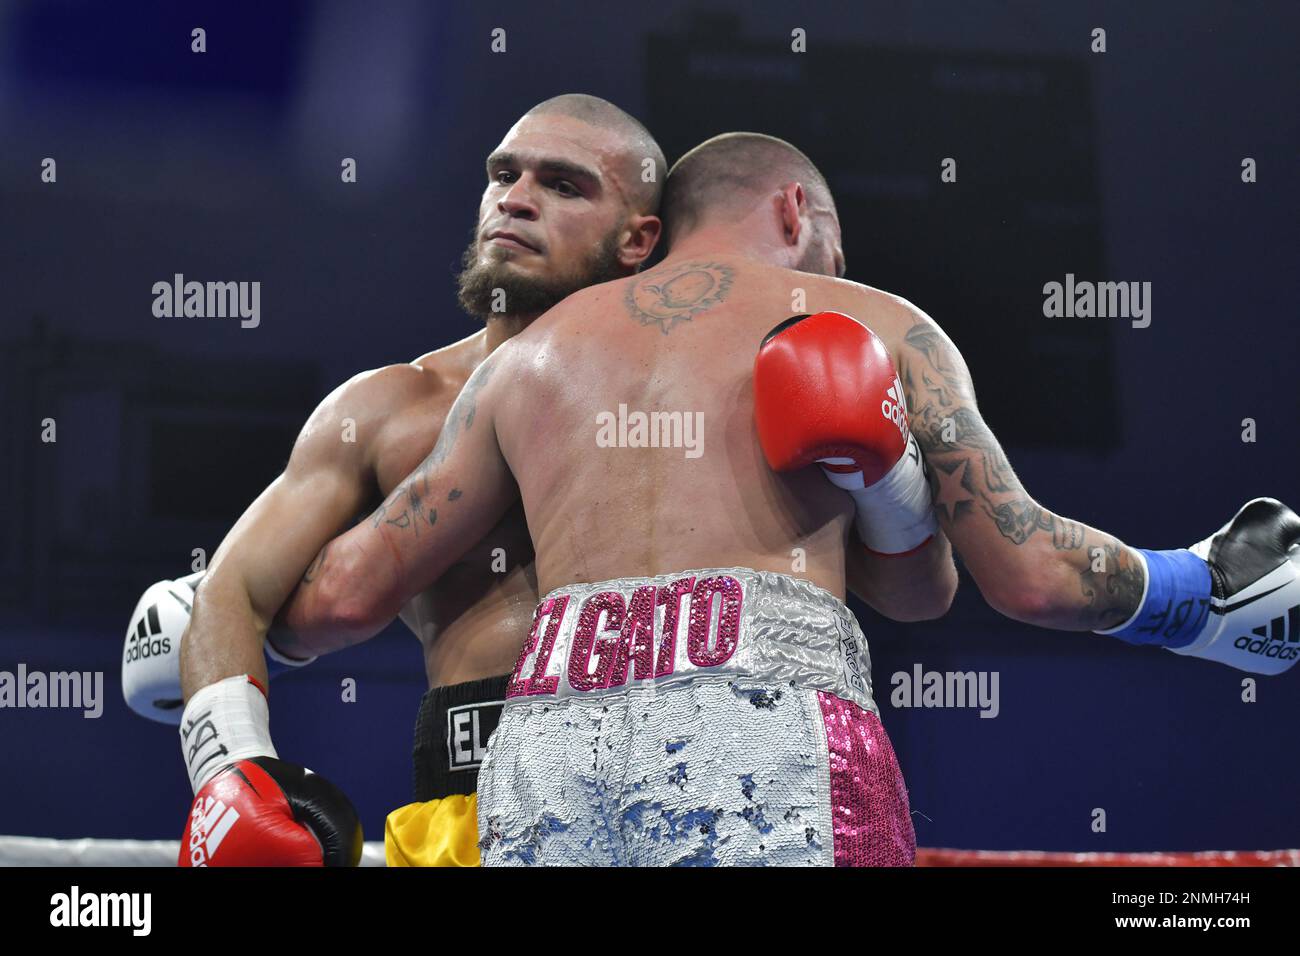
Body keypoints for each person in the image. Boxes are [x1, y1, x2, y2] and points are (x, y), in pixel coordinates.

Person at [200, 132, 1300, 865]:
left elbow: (335, 595)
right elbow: (1029, 574)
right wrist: (1187, 592)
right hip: (762, 717)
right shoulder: (867, 315)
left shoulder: (523, 363)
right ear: (794, 209)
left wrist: (209, 643)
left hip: (538, 752)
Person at [126, 93, 666, 867]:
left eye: (563, 185)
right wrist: (231, 776)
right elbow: (229, 591)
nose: (515, 200)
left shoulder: (684, 400)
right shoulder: (390, 408)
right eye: (503, 175)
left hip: (674, 789)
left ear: (637, 237)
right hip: (471, 809)